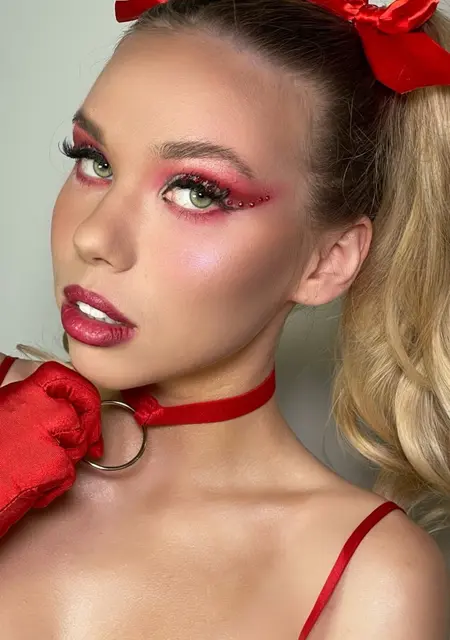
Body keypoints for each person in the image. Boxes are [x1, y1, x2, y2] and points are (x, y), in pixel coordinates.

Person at [0, 0, 449, 637]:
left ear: (326, 262)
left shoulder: (366, 577)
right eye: (95, 161)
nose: (95, 237)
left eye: (196, 192)